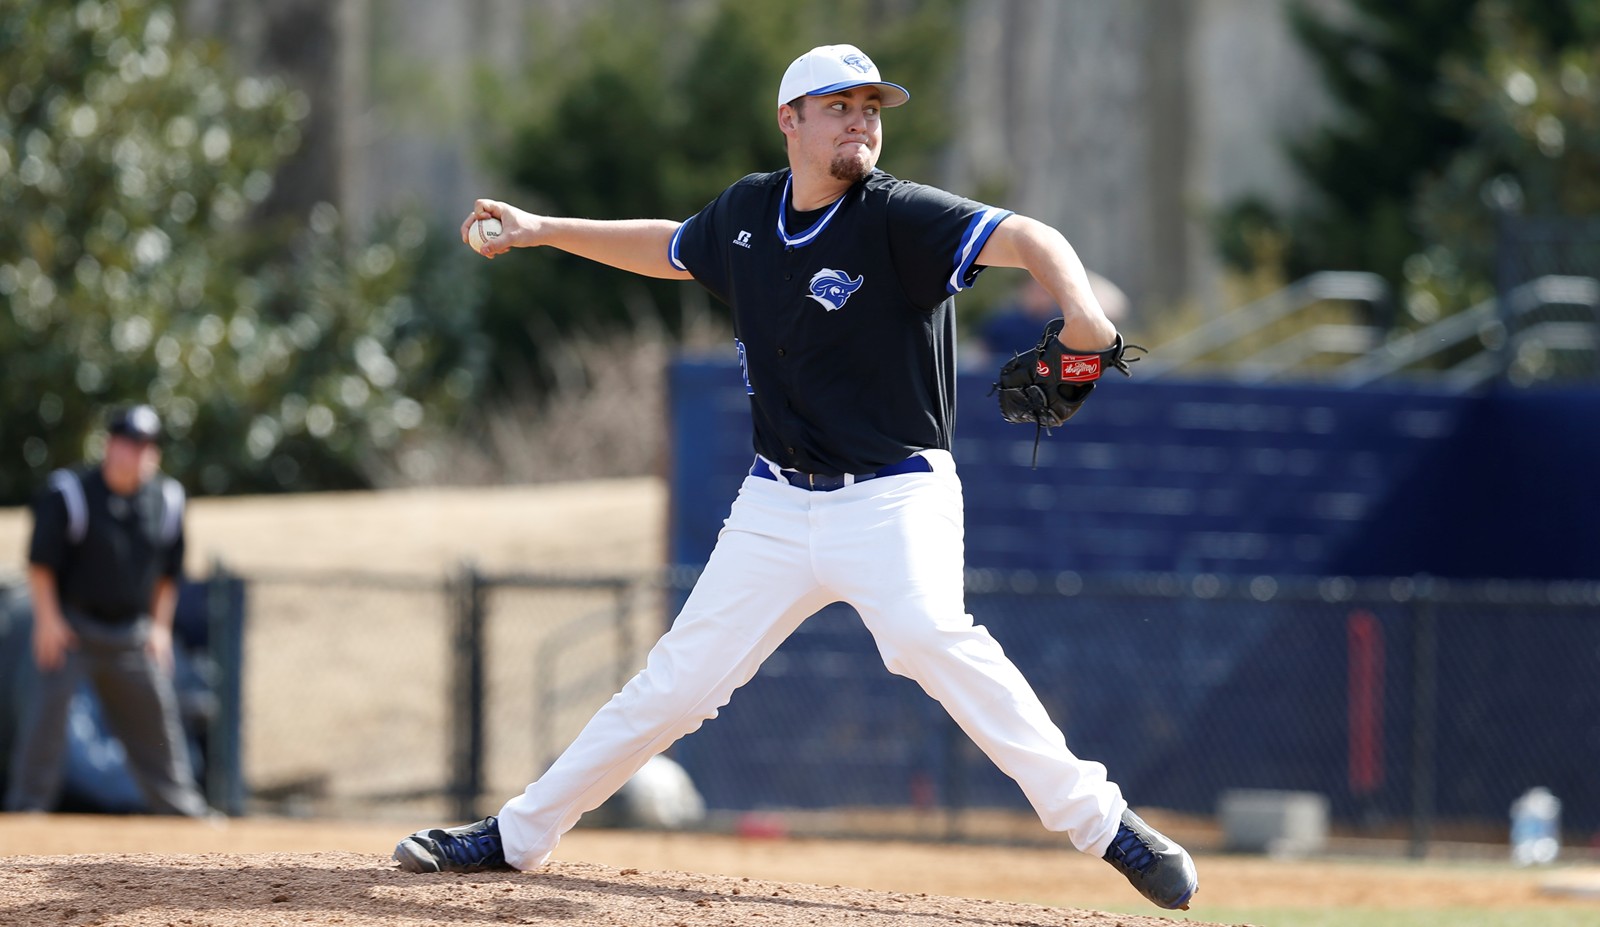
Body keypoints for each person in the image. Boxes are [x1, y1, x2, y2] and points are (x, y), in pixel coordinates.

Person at [393, 44, 1198, 910]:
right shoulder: (747, 212)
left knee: (930, 637)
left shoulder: (900, 216)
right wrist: (543, 228)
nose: (862, 122)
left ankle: (1106, 823)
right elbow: (671, 246)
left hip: (894, 494)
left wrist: (1083, 314)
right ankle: (517, 835)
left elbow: (1032, 238)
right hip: (776, 501)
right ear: (791, 120)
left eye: (872, 109)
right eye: (840, 106)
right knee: (675, 684)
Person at [3, 404, 210, 818]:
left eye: (146, 445)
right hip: (72, 628)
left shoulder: (166, 499)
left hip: (131, 632)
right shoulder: (71, 492)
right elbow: (41, 564)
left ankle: (183, 812)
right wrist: (48, 621)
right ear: (109, 446)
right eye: (128, 443)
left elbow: (168, 574)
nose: (136, 453)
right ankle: (26, 812)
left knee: (156, 723)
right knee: (44, 721)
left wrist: (160, 629)